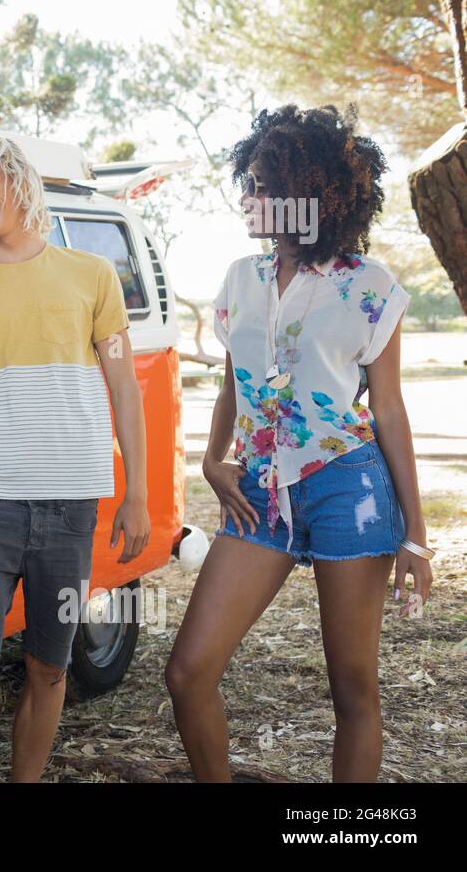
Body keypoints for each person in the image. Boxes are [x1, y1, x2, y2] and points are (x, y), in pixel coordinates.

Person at [165, 104, 436, 782]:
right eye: (248, 183)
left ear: (305, 195)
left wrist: (417, 537)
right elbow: (233, 388)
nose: (247, 198)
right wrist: (210, 458)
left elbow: (391, 412)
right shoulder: (240, 280)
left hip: (351, 488)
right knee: (188, 671)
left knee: (352, 687)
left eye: (261, 185)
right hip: (260, 493)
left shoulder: (371, 288)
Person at [0, 132, 150, 782]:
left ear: (19, 182)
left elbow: (124, 383)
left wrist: (137, 494)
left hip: (72, 501)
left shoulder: (92, 275)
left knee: (50, 665)